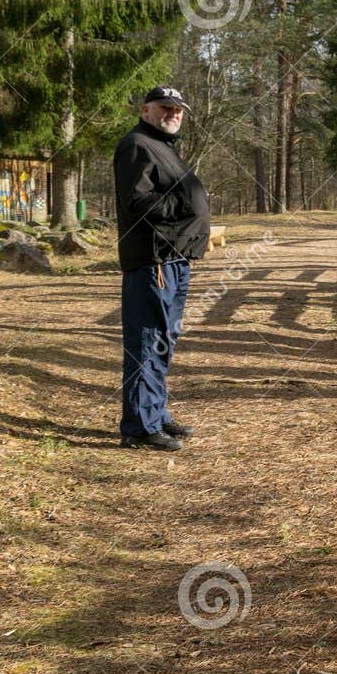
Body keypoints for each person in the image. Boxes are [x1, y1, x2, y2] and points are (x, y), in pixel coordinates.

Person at [113, 85, 210, 451]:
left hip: (175, 259)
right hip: (152, 260)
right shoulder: (136, 145)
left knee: (164, 339)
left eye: (179, 109)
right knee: (147, 339)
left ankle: (154, 412)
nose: (173, 113)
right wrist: (186, 204)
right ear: (146, 110)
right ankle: (138, 426)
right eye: (165, 107)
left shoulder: (163, 147)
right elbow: (138, 201)